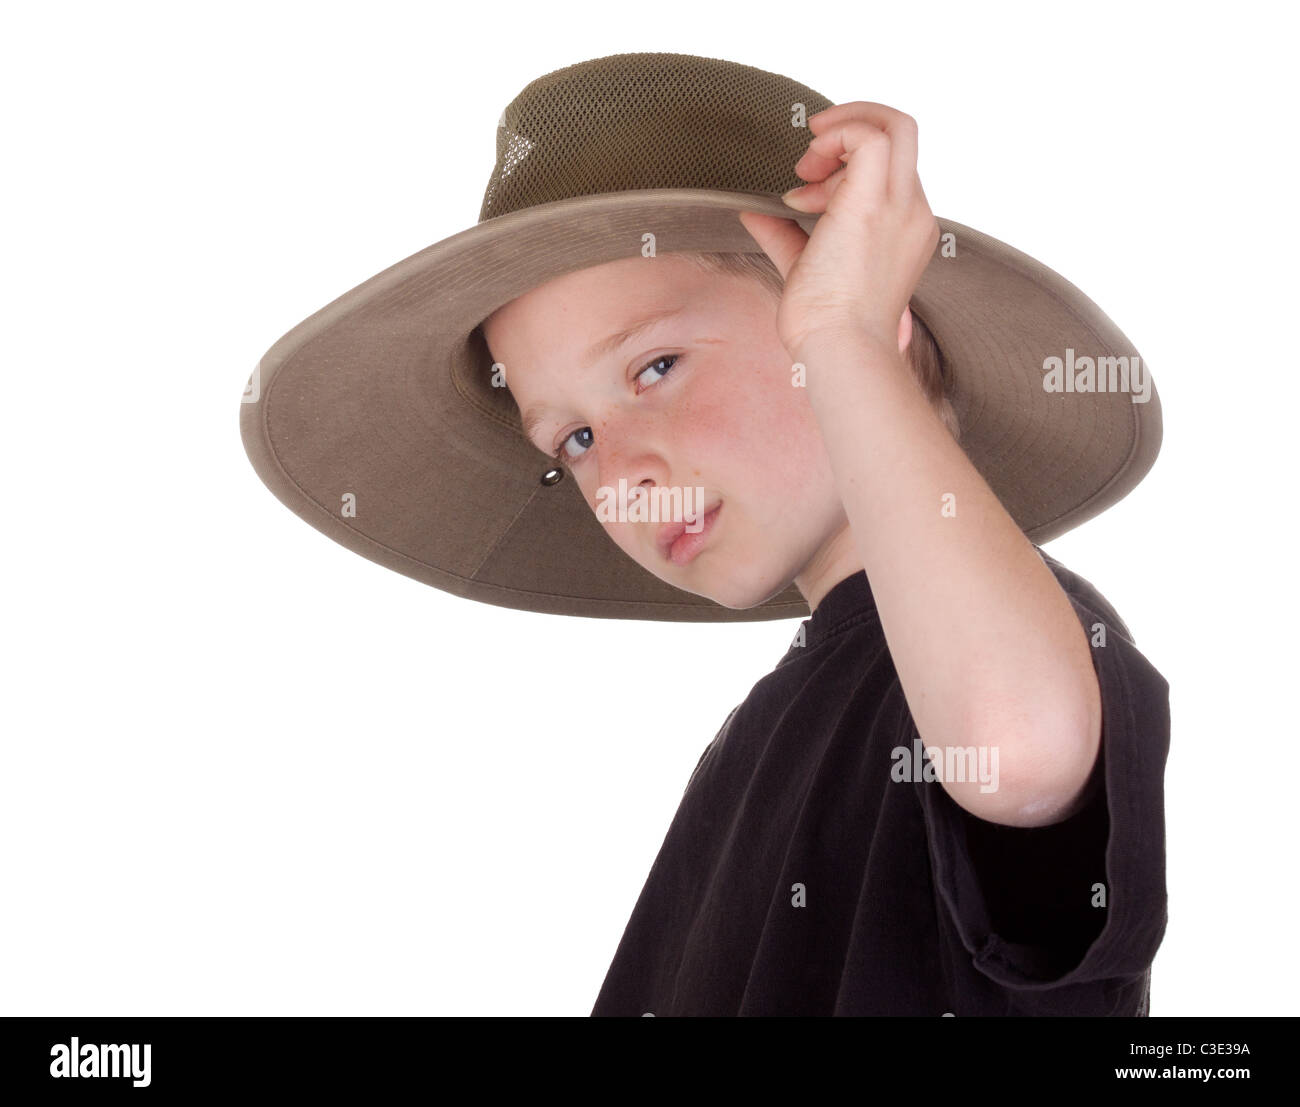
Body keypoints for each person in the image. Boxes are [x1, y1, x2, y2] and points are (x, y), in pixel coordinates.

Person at [240, 52, 1170, 1016]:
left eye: (655, 368)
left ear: (866, 311)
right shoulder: (762, 739)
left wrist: (842, 333)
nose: (622, 473)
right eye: (577, 438)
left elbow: (1015, 753)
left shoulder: (1006, 655)